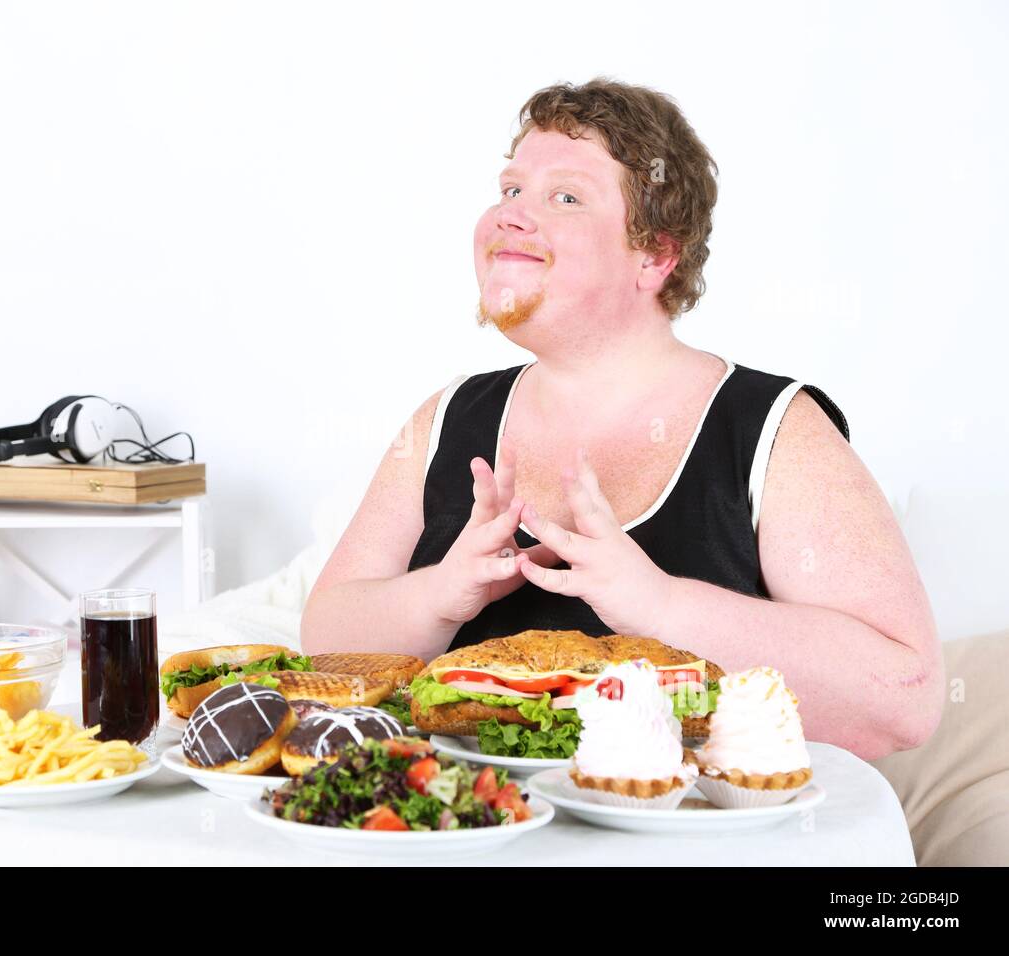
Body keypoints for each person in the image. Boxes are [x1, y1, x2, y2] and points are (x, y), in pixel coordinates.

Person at [300, 78, 943, 761]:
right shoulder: (446, 418)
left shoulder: (772, 430)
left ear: (656, 255)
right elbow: (324, 638)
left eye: (566, 197)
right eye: (511, 189)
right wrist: (439, 597)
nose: (511, 215)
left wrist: (659, 606)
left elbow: (906, 698)